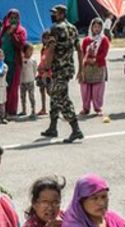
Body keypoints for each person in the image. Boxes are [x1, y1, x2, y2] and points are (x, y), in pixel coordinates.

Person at [40, 5, 84, 143]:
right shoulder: (73, 28)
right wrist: (80, 68)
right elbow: (79, 49)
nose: (53, 15)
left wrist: (46, 68)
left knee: (62, 98)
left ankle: (76, 130)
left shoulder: (56, 28)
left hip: (58, 69)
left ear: (62, 14)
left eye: (55, 13)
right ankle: (53, 128)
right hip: (68, 68)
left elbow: (51, 49)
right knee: (55, 97)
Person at [80, 18, 111, 115]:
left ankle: (98, 108)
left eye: (98, 27)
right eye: (95, 27)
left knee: (97, 89)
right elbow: (83, 52)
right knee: (85, 89)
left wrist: (96, 59)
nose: (96, 29)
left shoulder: (104, 40)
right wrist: (88, 60)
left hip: (98, 66)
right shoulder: (86, 40)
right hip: (87, 67)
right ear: (91, 27)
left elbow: (104, 53)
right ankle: (86, 108)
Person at [0, 9, 27, 117]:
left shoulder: (21, 30)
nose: (13, 20)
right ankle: (2, 110)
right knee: (2, 86)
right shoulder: (4, 30)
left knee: (13, 87)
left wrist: (13, 34)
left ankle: (11, 110)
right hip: (3, 62)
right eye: (11, 17)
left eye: (16, 17)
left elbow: (21, 45)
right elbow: (0, 45)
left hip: (14, 62)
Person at [36, 31, 52, 116]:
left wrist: (47, 71)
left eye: (48, 38)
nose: (46, 40)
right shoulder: (43, 49)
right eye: (44, 38)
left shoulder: (51, 49)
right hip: (41, 72)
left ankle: (56, 107)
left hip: (48, 73)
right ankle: (43, 108)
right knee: (41, 90)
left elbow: (50, 62)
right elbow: (42, 59)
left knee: (49, 91)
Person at [20, 44, 37, 117]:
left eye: (32, 51)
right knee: (22, 97)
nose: (31, 52)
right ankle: (24, 110)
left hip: (30, 81)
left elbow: (35, 70)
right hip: (22, 81)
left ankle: (33, 111)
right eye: (29, 50)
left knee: (31, 97)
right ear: (24, 51)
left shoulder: (33, 60)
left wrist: (33, 77)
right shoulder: (21, 60)